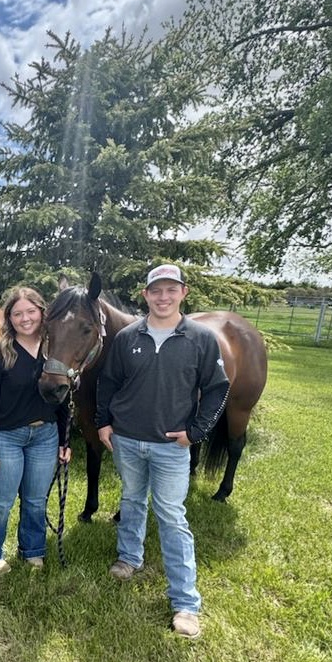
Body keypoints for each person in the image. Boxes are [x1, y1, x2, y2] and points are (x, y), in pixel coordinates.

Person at [95, 264, 230, 639]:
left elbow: (218, 389)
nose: (163, 297)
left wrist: (197, 431)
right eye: (157, 291)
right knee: (132, 499)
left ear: (183, 293)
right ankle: (129, 558)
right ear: (146, 295)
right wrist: (104, 422)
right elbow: (108, 383)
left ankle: (186, 603)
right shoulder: (126, 337)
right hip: (127, 439)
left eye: (171, 290)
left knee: (171, 516)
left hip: (172, 446)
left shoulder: (201, 339)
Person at [0, 286, 71, 575]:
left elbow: (63, 398)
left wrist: (64, 440)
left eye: (31, 311)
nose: (25, 318)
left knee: (35, 500)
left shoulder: (55, 350)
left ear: (43, 313)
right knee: (0, 501)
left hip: (46, 435)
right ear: (9, 318)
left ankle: (33, 550)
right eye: (17, 313)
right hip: (7, 437)